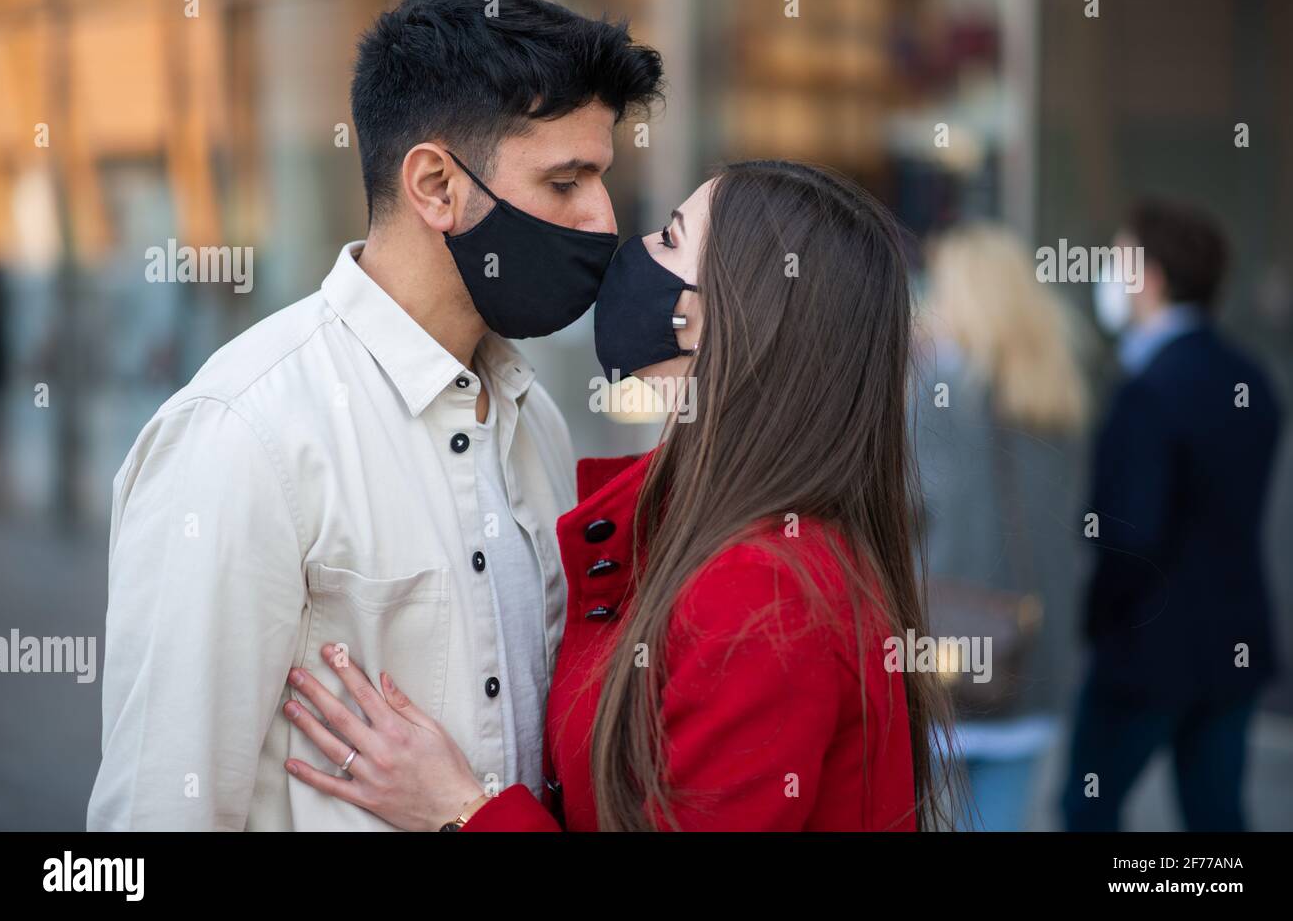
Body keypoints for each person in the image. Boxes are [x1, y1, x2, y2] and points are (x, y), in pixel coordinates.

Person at [87, 0, 663, 830]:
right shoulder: (244, 434)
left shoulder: (533, 417)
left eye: (602, 179)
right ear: (435, 184)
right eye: (566, 180)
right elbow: (159, 810)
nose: (602, 218)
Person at [277, 160, 964, 831]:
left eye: (669, 238)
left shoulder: (766, 589)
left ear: (704, 316)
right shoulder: (738, 542)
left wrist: (459, 808)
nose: (623, 241)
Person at [1062, 199, 1283, 831]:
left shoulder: (1148, 391)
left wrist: (1100, 622)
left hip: (1145, 648)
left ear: (1151, 276)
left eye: (1120, 259)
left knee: (1089, 810)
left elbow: (1131, 538)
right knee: (1217, 823)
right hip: (1233, 640)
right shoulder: (1252, 378)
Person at [913, 223, 1091, 830]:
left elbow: (898, 512)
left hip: (935, 656)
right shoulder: (1059, 398)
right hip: (1033, 655)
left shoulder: (930, 393)